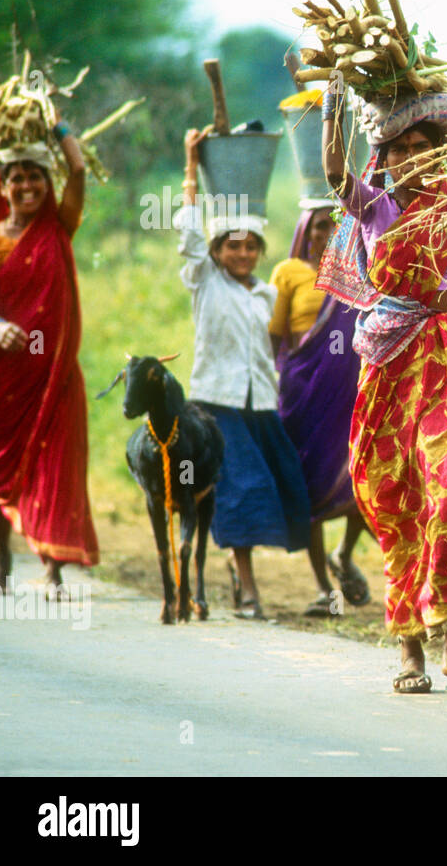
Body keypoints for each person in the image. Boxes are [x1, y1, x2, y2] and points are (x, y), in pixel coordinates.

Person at [320, 74, 447, 694]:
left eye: (420, 147)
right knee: (398, 496)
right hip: (388, 363)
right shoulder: (374, 205)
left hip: (443, 356)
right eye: (396, 150)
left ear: (441, 152)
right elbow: (333, 175)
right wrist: (332, 107)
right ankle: (411, 650)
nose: (406, 159)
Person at [178, 127, 312, 618]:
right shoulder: (204, 282)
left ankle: (248, 575)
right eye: (232, 247)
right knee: (243, 488)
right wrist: (191, 170)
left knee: (285, 485)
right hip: (217, 404)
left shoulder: (266, 295)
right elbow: (189, 237)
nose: (242, 254)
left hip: (260, 406)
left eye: (250, 247)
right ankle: (249, 587)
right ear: (215, 252)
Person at [0, 114, 98, 591]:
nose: (28, 185)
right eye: (18, 177)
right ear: (3, 185)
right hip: (4, 371)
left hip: (55, 375)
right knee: (0, 465)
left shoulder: (59, 226)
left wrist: (59, 126)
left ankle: (52, 568)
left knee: (55, 465)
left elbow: (77, 173)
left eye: (36, 176)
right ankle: (2, 561)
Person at [269, 202, 371, 615]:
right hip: (303, 399)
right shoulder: (288, 273)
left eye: (331, 225)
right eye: (315, 226)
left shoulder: (357, 273)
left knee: (362, 481)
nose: (321, 233)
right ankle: (324, 590)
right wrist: (284, 381)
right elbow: (276, 338)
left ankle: (344, 554)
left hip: (349, 393)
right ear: (303, 229)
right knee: (306, 487)